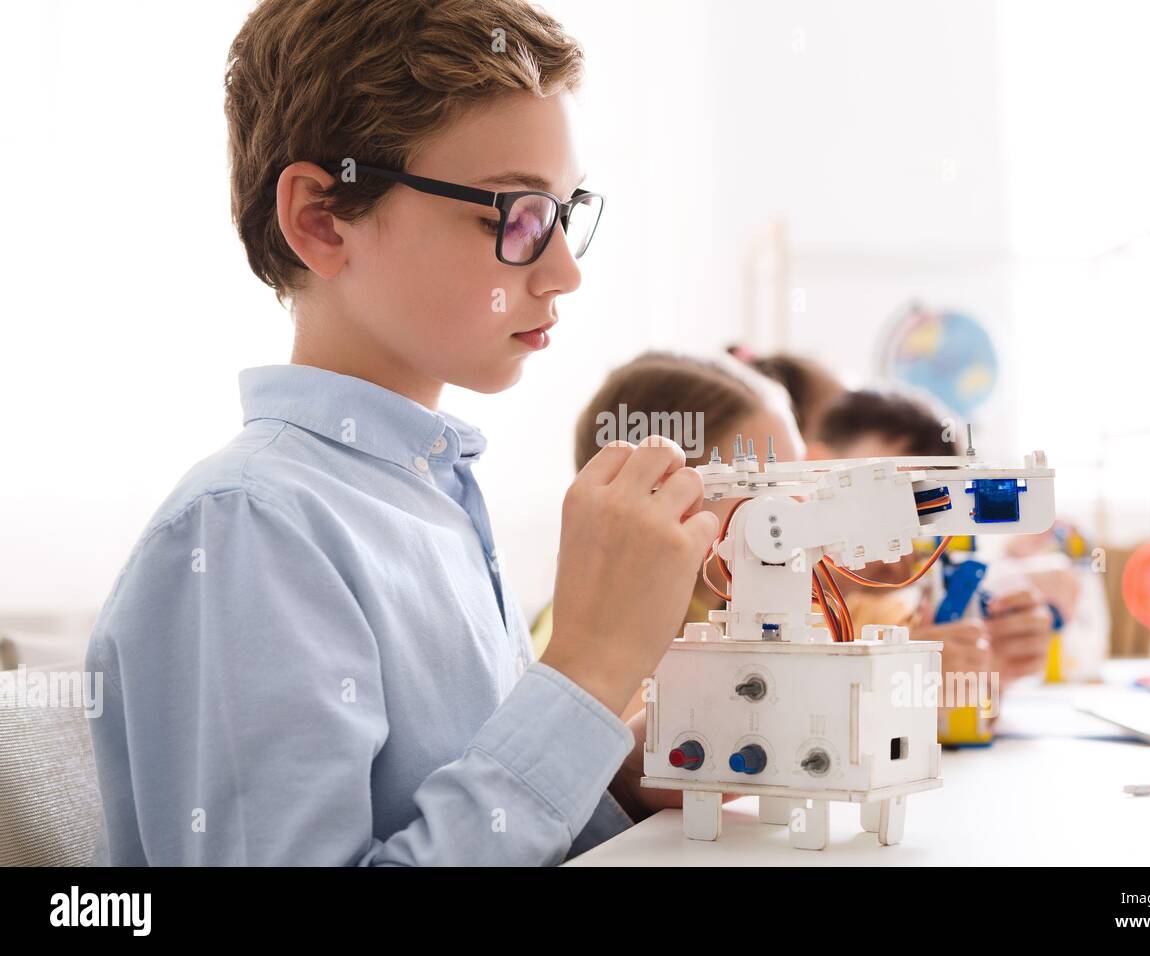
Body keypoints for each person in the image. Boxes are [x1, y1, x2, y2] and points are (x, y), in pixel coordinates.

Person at [84, 0, 719, 866]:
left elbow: (464, 819)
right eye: (515, 214)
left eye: (566, 213)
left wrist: (609, 772)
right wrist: (586, 672)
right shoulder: (250, 528)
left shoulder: (432, 495)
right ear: (320, 218)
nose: (565, 270)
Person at [531, 351, 805, 719]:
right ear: (660, 486)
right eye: (763, 487)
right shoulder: (580, 640)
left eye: (799, 482)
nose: (796, 507)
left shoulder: (715, 607)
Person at [808, 388, 1059, 688]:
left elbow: (955, 693)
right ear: (814, 469)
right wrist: (897, 679)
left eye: (924, 526)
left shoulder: (880, 611)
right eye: (889, 507)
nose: (904, 556)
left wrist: (993, 662)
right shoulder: (759, 597)